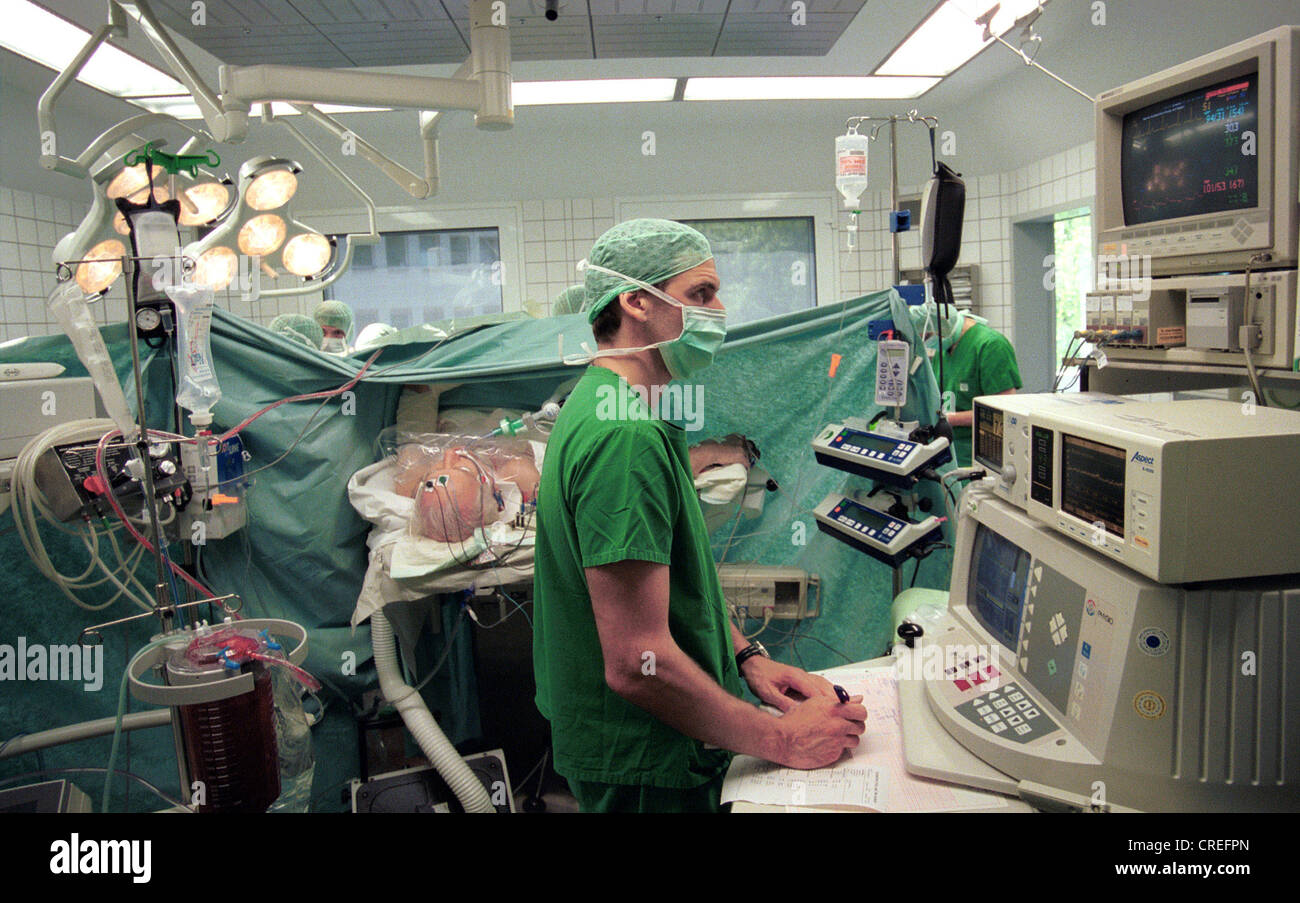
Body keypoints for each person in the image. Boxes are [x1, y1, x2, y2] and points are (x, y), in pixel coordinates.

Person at [533, 219, 866, 813]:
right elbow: (637, 665)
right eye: (701, 294)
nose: (719, 311)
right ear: (636, 301)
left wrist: (747, 658)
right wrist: (783, 738)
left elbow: (674, 589)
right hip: (645, 759)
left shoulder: (609, 405)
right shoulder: (623, 439)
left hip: (648, 743)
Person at [929, 303, 1022, 467]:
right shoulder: (944, 348)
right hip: (947, 453)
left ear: (943, 327)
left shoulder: (991, 346)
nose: (929, 340)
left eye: (929, 334)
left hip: (980, 456)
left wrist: (950, 419)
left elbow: (1004, 411)